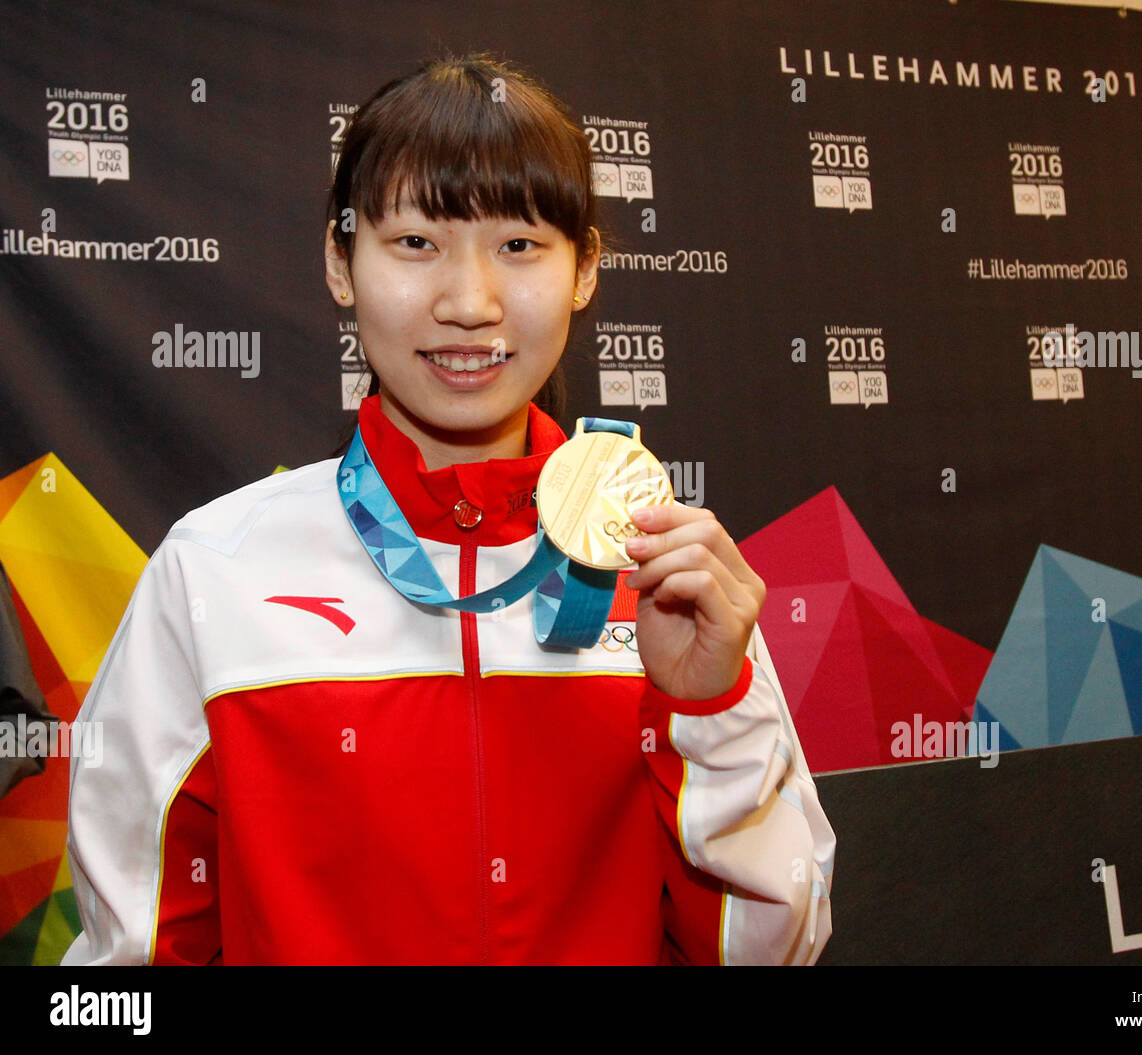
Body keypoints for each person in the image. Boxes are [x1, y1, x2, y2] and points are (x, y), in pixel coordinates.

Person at [62, 54, 834, 965]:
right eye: (416, 243)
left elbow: (773, 950)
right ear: (340, 262)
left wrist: (709, 707)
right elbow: (130, 964)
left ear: (585, 270)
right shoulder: (215, 567)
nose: (470, 305)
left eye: (520, 247)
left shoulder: (669, 568)